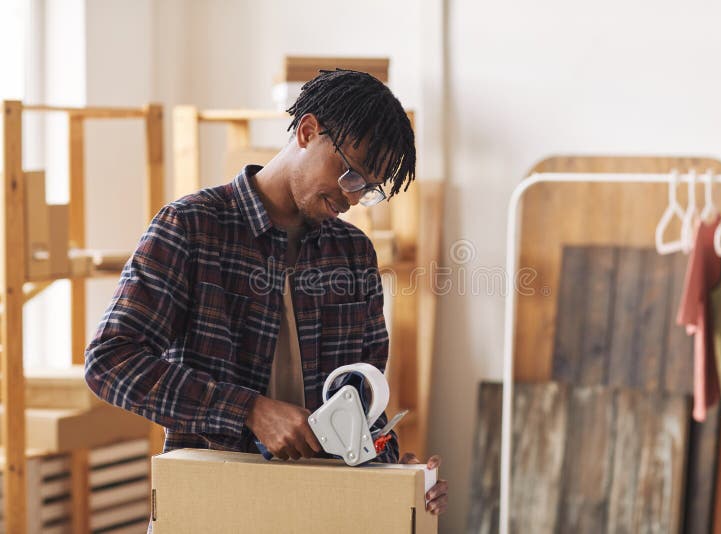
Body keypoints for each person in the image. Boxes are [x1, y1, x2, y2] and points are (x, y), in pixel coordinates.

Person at [84, 69, 448, 515]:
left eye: (367, 189)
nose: (351, 197)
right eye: (349, 173)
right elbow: (110, 361)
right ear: (308, 131)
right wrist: (248, 410)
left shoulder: (353, 255)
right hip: (211, 504)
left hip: (320, 510)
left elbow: (360, 409)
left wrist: (399, 477)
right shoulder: (192, 226)